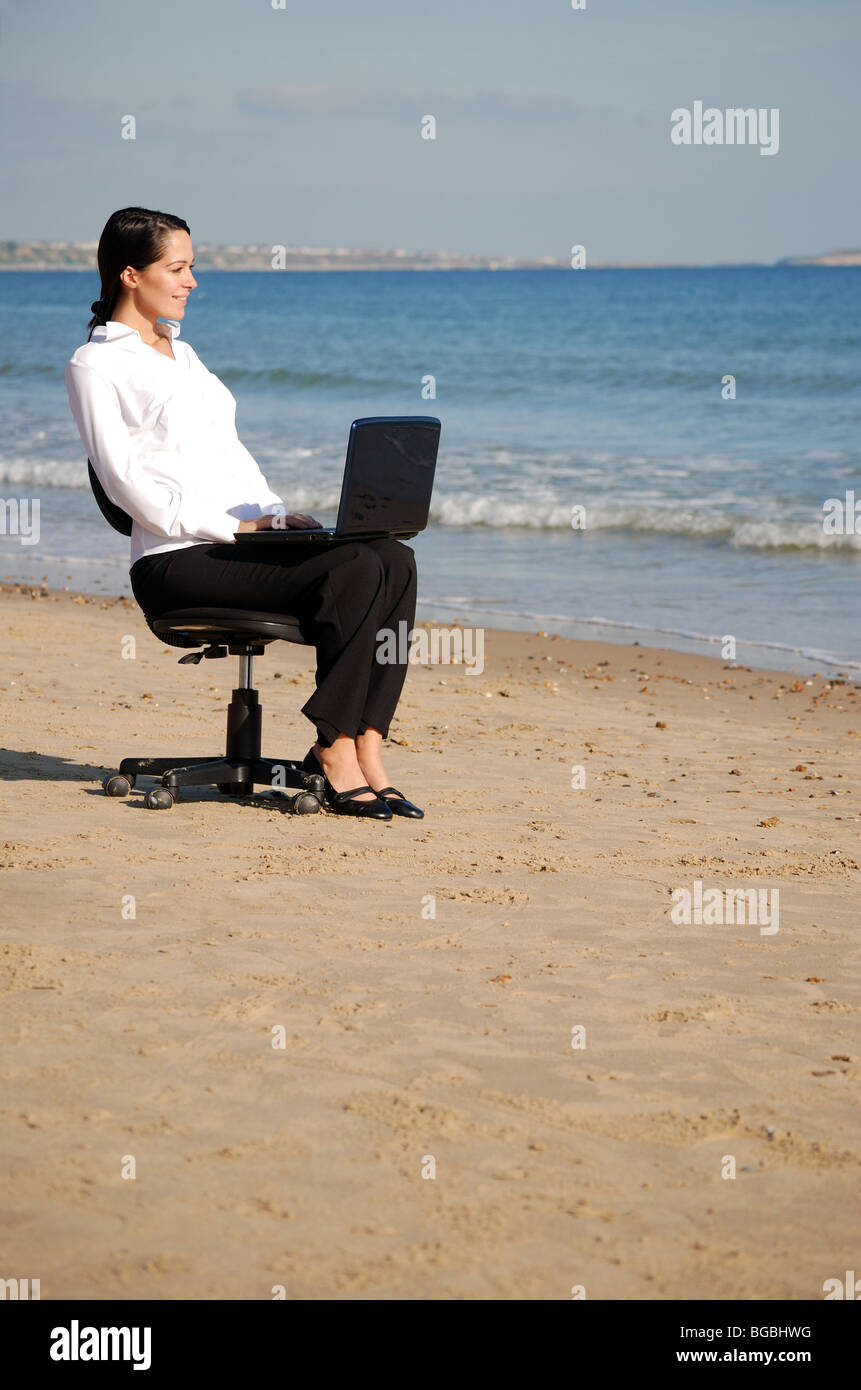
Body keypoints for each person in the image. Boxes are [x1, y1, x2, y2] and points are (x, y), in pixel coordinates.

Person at [65, 206, 423, 820]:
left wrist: (277, 518)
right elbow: (126, 485)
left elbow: (230, 454)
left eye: (192, 267)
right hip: (175, 561)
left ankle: (368, 742)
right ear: (130, 274)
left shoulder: (186, 354)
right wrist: (236, 526)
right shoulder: (95, 365)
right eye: (177, 268)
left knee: (394, 558)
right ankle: (331, 748)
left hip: (240, 545)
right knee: (355, 572)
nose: (191, 282)